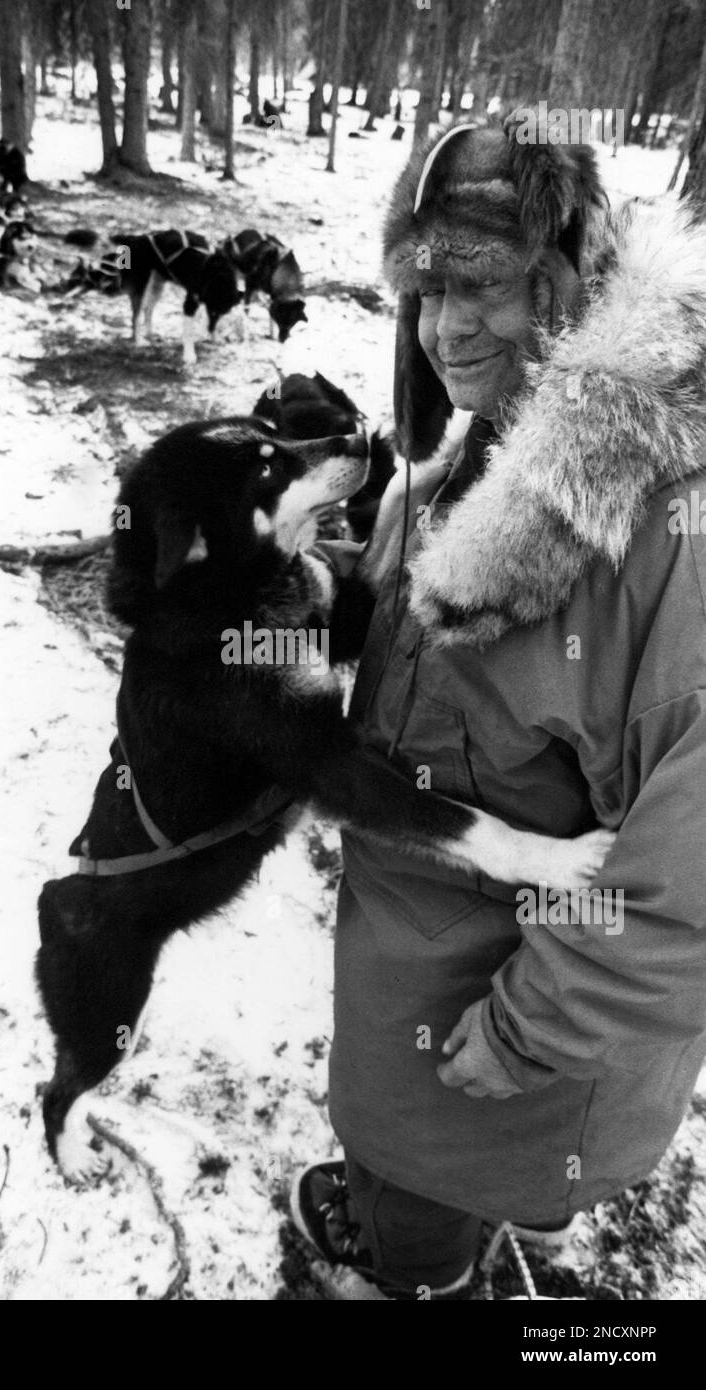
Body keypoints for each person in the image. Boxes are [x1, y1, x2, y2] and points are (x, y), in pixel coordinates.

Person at [290, 115, 706, 1299]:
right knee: (403, 1161)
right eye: (421, 293)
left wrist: (528, 1030)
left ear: (567, 283)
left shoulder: (664, 533)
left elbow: (682, 872)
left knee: (422, 1201)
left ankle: (415, 1267)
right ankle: (404, 1212)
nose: (443, 327)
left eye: (479, 286)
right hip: (409, 967)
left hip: (498, 1031)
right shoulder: (487, 452)